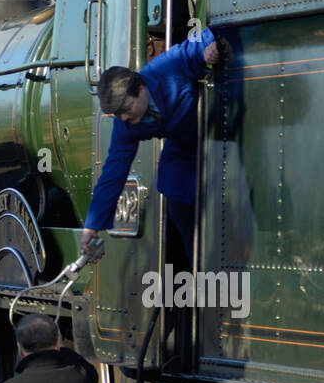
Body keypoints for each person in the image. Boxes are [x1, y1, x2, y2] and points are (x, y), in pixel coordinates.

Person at [80, 28, 221, 265]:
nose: (123, 119)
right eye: (118, 114)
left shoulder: (168, 66)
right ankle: (202, 271)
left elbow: (199, 38)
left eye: (126, 109)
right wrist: (90, 228)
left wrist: (210, 47)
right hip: (183, 149)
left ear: (141, 88)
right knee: (177, 203)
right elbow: (113, 174)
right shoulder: (125, 125)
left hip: (215, 131)